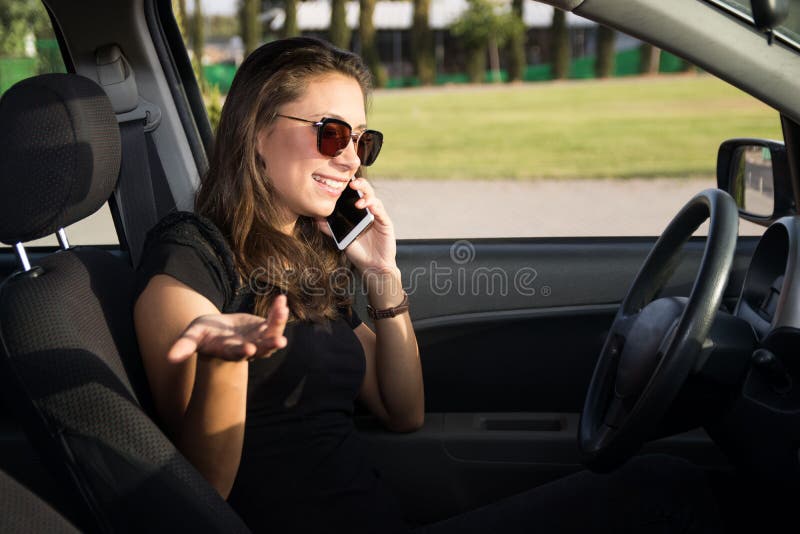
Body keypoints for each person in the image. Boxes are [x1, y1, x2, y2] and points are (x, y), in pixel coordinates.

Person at [133, 37, 722, 533]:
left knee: (667, 480)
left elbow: (403, 410)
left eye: (363, 142)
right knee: (665, 489)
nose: (352, 162)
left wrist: (382, 273)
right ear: (257, 131)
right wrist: (224, 362)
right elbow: (201, 494)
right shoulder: (192, 251)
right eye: (332, 133)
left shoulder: (308, 257)